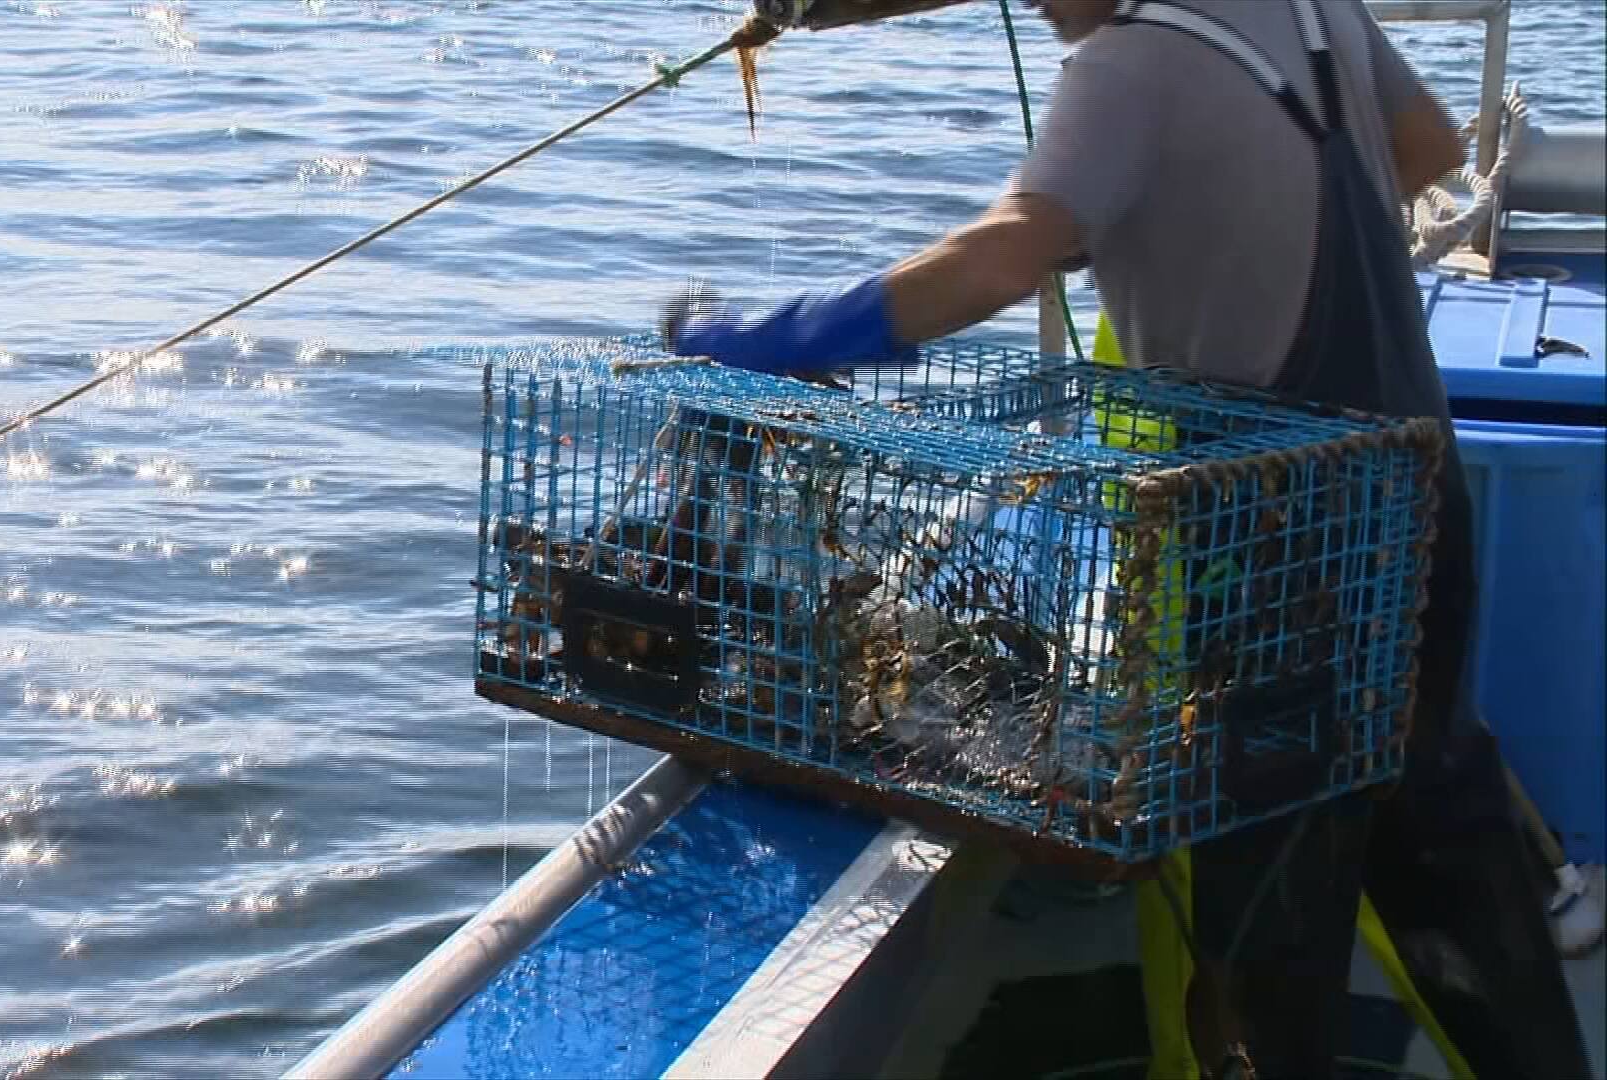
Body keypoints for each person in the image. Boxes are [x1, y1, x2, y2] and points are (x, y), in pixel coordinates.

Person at [663, 1, 1594, 1077]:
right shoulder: (1303, 0)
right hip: (1415, 484)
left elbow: (1003, 255)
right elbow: (1429, 145)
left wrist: (788, 338)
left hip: (1276, 533)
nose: (1042, 11)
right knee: (1441, 823)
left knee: (1267, 877)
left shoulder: (1127, 61)